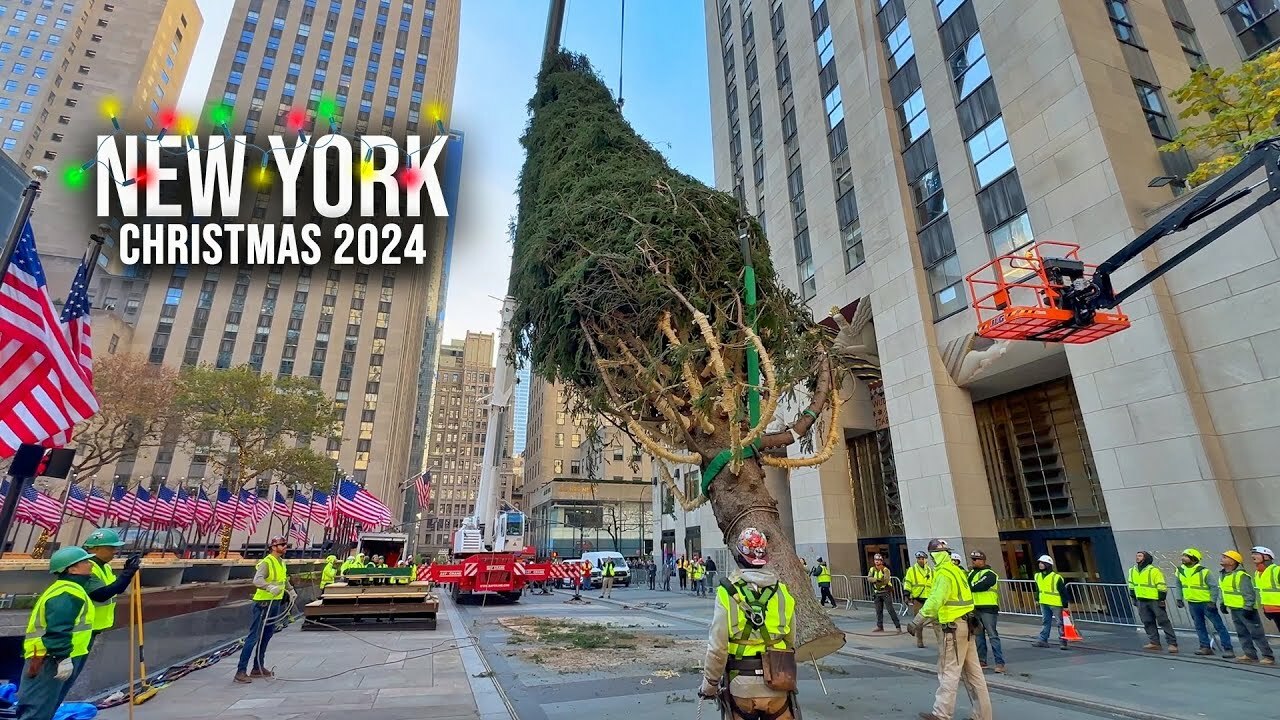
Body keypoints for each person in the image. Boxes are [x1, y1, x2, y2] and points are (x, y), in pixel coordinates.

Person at [697, 527, 797, 720]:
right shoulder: (783, 592)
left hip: (741, 683)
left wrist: (710, 684)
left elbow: (718, 647)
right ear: (765, 556)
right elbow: (791, 640)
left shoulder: (727, 592)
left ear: (739, 554)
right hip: (778, 680)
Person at [55, 529, 143, 705]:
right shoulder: (88, 568)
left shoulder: (106, 567)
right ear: (94, 548)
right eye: (110, 548)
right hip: (78, 631)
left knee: (72, 676)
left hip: (91, 629)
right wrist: (127, 574)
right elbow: (102, 594)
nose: (113, 552)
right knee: (63, 679)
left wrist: (127, 574)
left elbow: (115, 588)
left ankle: (55, 707)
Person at [907, 539, 991, 720]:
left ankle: (941, 714)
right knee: (974, 673)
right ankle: (983, 715)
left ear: (933, 556)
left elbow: (935, 601)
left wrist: (917, 621)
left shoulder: (943, 573)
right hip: (967, 626)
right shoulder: (957, 571)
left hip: (953, 629)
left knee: (949, 671)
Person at [17, 547, 98, 720]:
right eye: (84, 561)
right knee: (37, 710)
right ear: (72, 569)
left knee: (45, 708)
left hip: (54, 657)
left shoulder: (71, 589)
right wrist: (63, 657)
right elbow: (58, 629)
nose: (90, 564)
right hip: (49, 659)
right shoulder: (67, 592)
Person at [235, 535, 294, 683]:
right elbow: (257, 580)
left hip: (275, 602)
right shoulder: (266, 562)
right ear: (273, 547)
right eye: (282, 545)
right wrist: (269, 587)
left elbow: (283, 579)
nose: (285, 547)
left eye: (285, 544)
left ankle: (257, 667)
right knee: (253, 637)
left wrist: (291, 590)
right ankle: (240, 671)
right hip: (263, 603)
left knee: (266, 635)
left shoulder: (281, 562)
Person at [1175, 548, 1233, 657]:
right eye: (1183, 555)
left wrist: (1212, 601)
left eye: (1186, 556)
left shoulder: (1204, 571)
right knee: (1199, 626)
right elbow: (1178, 585)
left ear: (1193, 559)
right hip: (1192, 603)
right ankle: (1205, 647)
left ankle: (1228, 648)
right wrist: (1179, 598)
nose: (1183, 558)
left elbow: (1213, 587)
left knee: (1219, 626)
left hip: (1206, 603)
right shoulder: (1180, 570)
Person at [1220, 550, 1274, 665]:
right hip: (1234, 608)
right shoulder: (1223, 575)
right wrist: (1223, 603)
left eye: (1225, 557)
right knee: (1242, 633)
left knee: (1256, 633)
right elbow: (1224, 591)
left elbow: (1249, 593)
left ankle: (1267, 655)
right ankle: (1249, 654)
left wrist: (1248, 607)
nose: (1222, 559)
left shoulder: (1242, 575)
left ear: (1233, 561)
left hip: (1245, 609)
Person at [1129, 550, 1177, 653]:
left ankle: (1172, 643)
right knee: (1147, 621)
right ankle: (1154, 642)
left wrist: (1161, 598)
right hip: (1141, 600)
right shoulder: (1132, 570)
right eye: (1137, 556)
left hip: (1154, 600)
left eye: (1140, 556)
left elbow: (1161, 585)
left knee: (1163, 621)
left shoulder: (1153, 571)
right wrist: (1133, 597)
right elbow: (1131, 585)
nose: (1137, 557)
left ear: (1145, 558)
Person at [967, 550, 1004, 672]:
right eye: (972, 559)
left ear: (982, 560)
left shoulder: (990, 574)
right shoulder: (971, 574)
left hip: (988, 608)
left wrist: (970, 587)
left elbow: (977, 586)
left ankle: (999, 663)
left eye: (975, 559)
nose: (973, 561)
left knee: (992, 635)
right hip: (975, 608)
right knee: (978, 636)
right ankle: (982, 661)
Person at [1032, 554, 1068, 649]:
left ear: (1048, 564)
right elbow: (1038, 589)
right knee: (1045, 621)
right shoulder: (1037, 576)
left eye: (1042, 563)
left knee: (1060, 623)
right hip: (1044, 602)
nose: (1040, 564)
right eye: (1039, 562)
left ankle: (1063, 642)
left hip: (1056, 603)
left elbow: (1063, 592)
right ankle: (1043, 640)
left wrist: (1065, 605)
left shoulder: (1056, 577)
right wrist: (1037, 599)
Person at [904, 551, 934, 648]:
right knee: (919, 620)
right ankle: (919, 640)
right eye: (919, 559)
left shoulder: (931, 571)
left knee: (936, 620)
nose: (921, 560)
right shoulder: (912, 570)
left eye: (923, 558)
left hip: (930, 598)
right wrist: (906, 595)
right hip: (918, 598)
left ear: (926, 559)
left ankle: (940, 639)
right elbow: (908, 582)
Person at [868, 553, 900, 634]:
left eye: (879, 560)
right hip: (877, 593)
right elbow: (869, 578)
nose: (877, 562)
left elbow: (886, 580)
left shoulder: (885, 570)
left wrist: (877, 580)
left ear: (882, 561)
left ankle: (898, 626)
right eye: (876, 560)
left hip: (885, 592)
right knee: (878, 611)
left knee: (890, 610)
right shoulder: (872, 569)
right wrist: (876, 580)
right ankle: (880, 626)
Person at [1252, 546, 1280, 633]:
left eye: (1256, 554)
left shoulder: (1276, 570)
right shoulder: (1257, 573)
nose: (1253, 556)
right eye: (1252, 554)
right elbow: (1261, 592)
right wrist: (1264, 608)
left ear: (1267, 556)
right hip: (1271, 610)